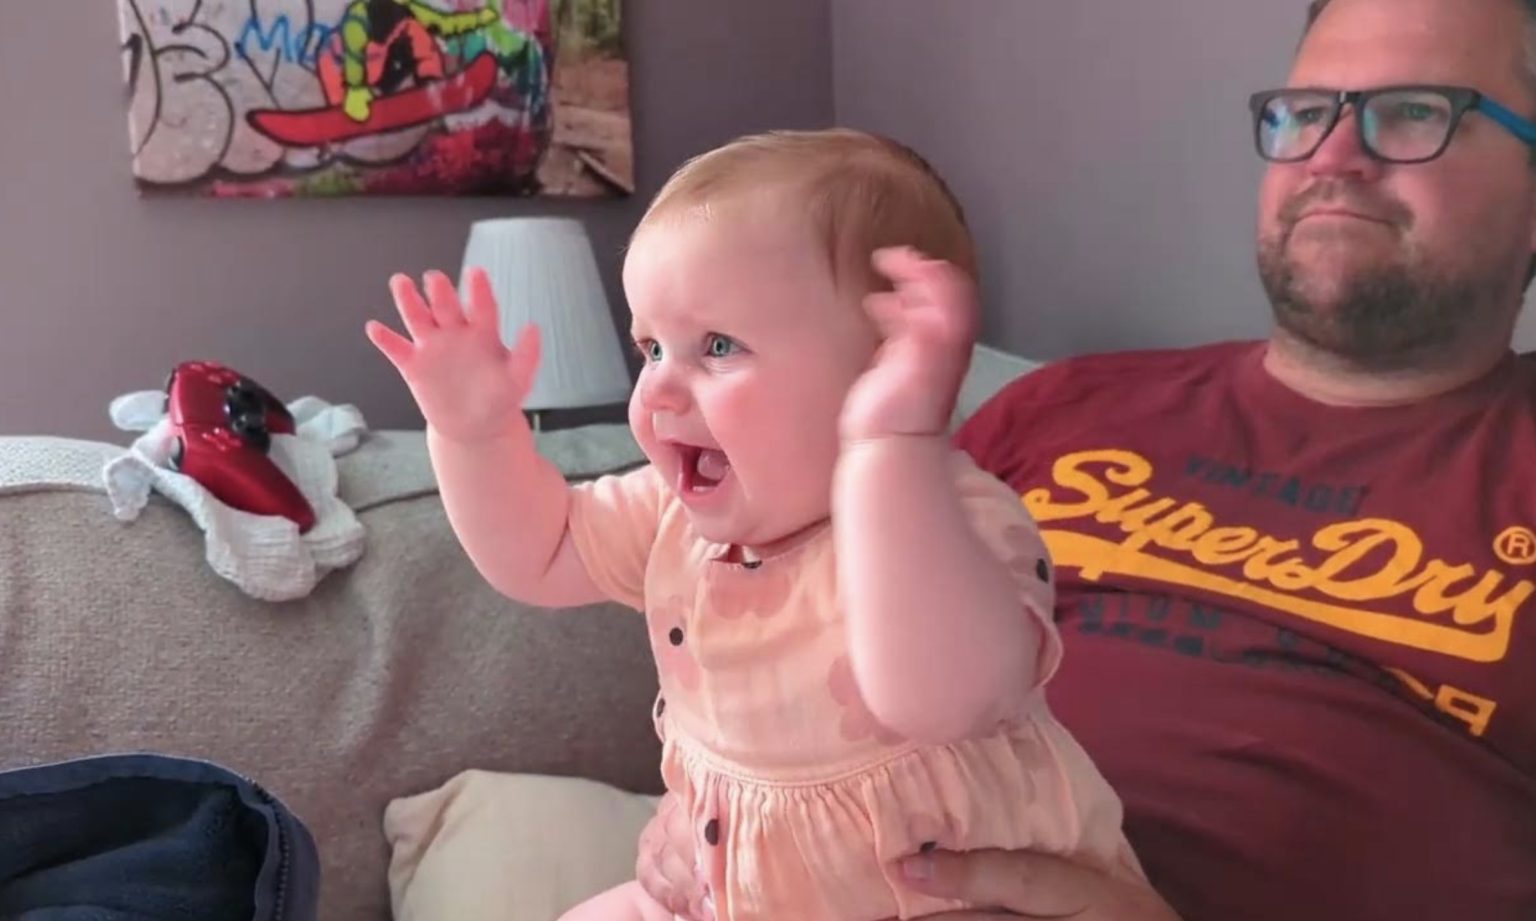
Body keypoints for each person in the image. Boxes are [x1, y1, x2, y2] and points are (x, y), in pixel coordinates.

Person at [637, 0, 1536, 918]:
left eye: (1414, 111)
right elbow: (779, 601)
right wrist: (707, 799)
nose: (1333, 155)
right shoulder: (1065, 403)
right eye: (1307, 112)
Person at [365, 129, 1149, 920]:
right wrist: (473, 435)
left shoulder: (952, 523)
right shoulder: (674, 516)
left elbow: (941, 700)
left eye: (717, 346)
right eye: (651, 348)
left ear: (884, 369)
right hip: (734, 888)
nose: (659, 389)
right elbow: (539, 550)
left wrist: (888, 450)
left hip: (941, 895)